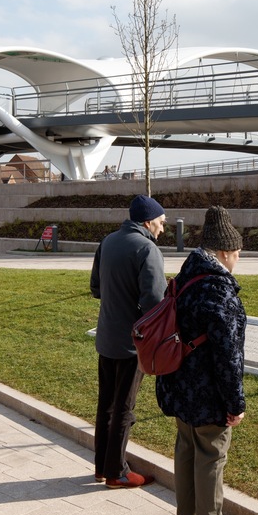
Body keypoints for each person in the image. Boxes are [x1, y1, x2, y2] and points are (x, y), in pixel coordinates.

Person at [155, 205, 251, 515]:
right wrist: (235, 404)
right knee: (211, 455)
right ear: (225, 251)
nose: (238, 259)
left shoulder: (184, 277)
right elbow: (229, 356)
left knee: (186, 449)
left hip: (179, 384)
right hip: (207, 392)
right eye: (238, 252)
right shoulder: (219, 291)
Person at [90, 194, 169, 488]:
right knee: (124, 408)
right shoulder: (147, 249)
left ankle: (101, 466)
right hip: (131, 344)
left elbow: (96, 288)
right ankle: (116, 472)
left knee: (106, 405)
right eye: (161, 222)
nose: (162, 228)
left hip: (106, 337)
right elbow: (155, 304)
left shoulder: (108, 241)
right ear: (148, 222)